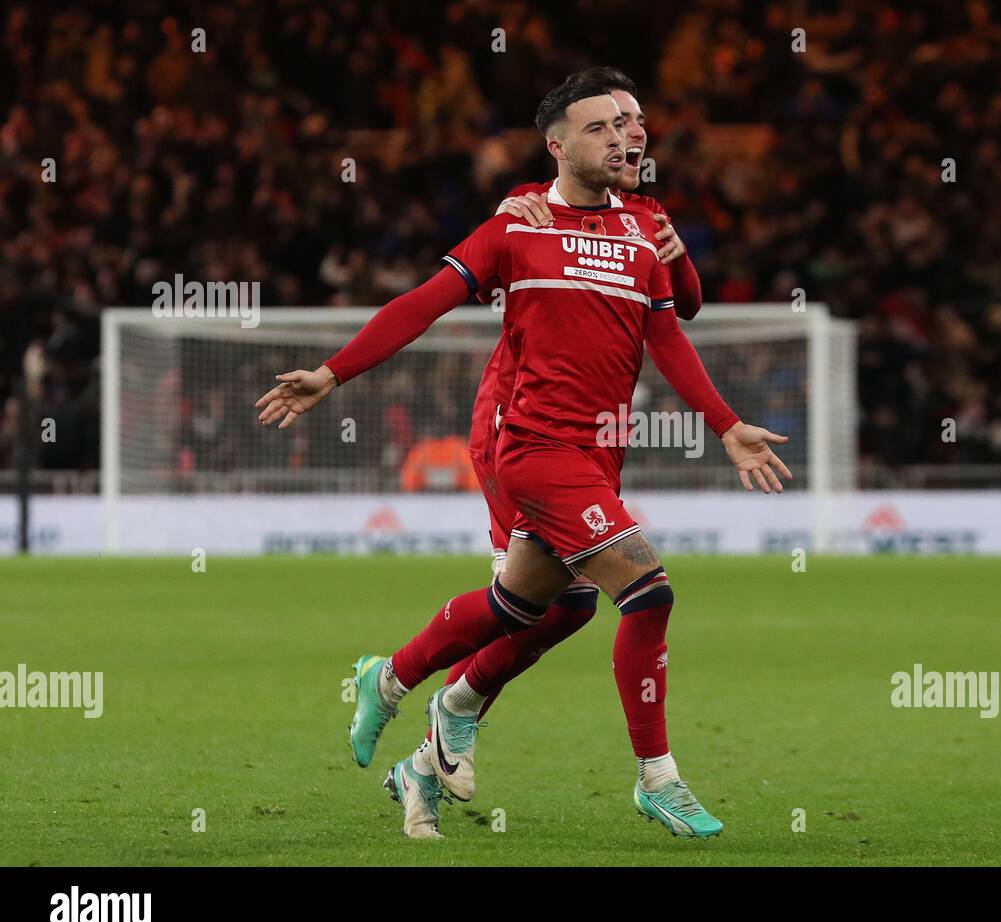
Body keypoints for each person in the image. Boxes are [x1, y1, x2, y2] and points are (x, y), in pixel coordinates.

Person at [256, 75, 791, 839]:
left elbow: (671, 328)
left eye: (631, 123)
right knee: (648, 592)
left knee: (535, 606)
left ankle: (399, 680)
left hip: (601, 454)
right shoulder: (518, 225)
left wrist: (726, 424)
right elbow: (423, 302)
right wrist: (331, 373)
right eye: (603, 126)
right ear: (558, 146)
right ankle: (657, 779)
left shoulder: (643, 229)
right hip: (532, 448)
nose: (624, 136)